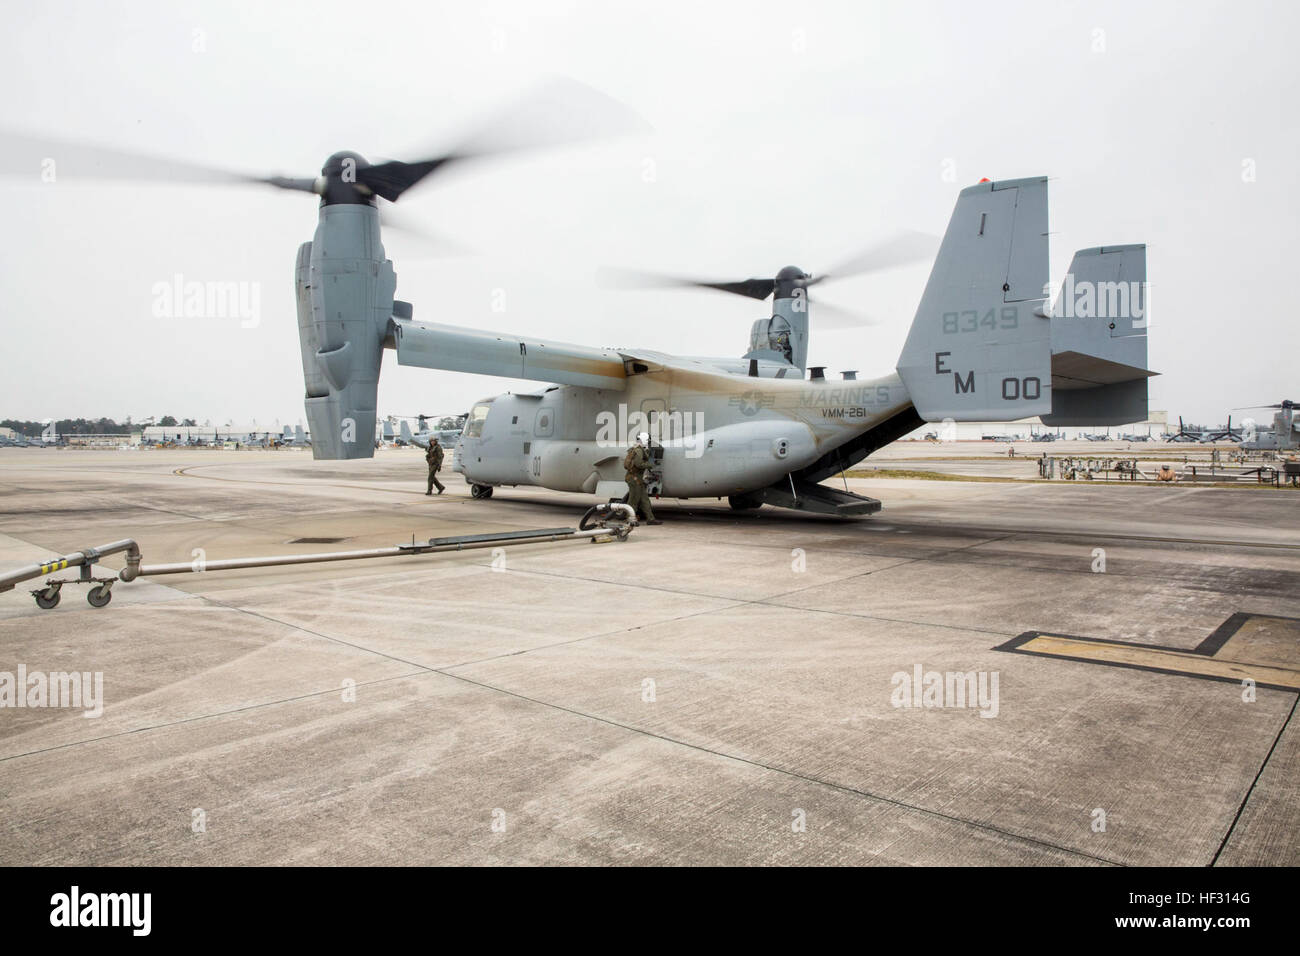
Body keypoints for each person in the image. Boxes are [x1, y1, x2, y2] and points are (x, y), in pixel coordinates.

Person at [623, 432, 662, 524]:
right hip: (634, 478)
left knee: (645, 500)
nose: (648, 442)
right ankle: (629, 520)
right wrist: (650, 465)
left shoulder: (637, 449)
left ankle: (650, 519)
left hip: (638, 479)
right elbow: (639, 464)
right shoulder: (638, 450)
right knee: (633, 500)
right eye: (648, 440)